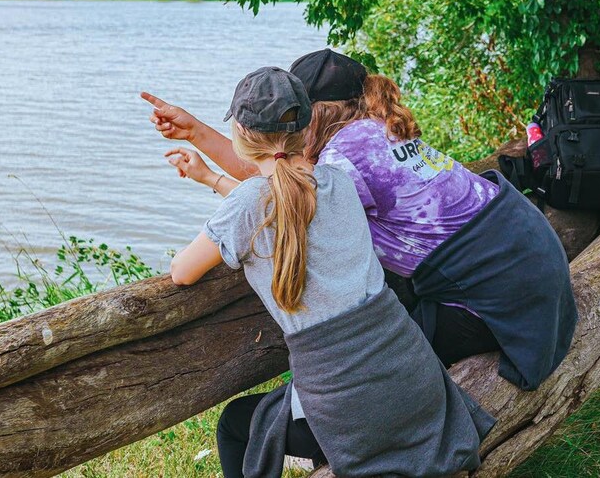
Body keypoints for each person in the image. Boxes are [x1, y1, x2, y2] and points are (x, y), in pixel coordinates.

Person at [142, 50, 576, 390]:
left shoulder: (341, 158)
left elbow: (275, 190)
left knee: (380, 359)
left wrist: (205, 155)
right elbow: (276, 176)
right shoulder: (379, 130)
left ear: (314, 114)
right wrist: (197, 135)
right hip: (533, 264)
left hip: (497, 297)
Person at [166, 66, 495, 478]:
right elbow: (284, 204)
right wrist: (211, 178)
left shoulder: (247, 206)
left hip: (357, 416)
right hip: (418, 385)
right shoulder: (338, 182)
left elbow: (182, 271)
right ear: (307, 130)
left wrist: (216, 185)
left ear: (241, 134)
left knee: (236, 423)